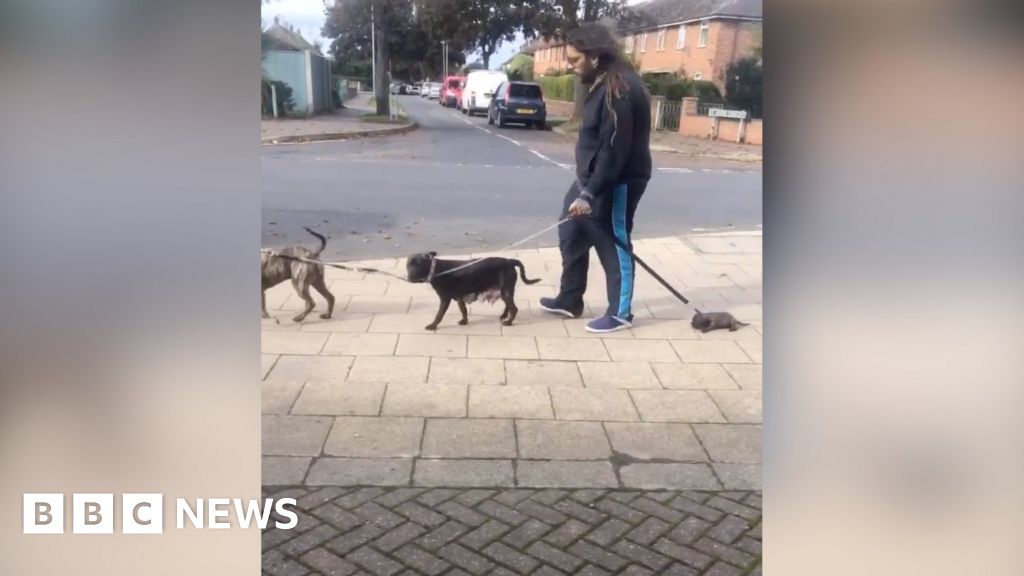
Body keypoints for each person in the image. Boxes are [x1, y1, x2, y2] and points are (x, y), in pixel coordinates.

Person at [539, 23, 652, 333]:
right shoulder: (604, 83)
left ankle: (620, 313)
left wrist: (590, 194)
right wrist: (584, 188)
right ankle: (570, 298)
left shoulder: (620, 88)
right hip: (592, 178)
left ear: (595, 55)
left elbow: (614, 148)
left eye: (575, 60)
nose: (570, 66)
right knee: (570, 228)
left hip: (616, 180)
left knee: (613, 241)